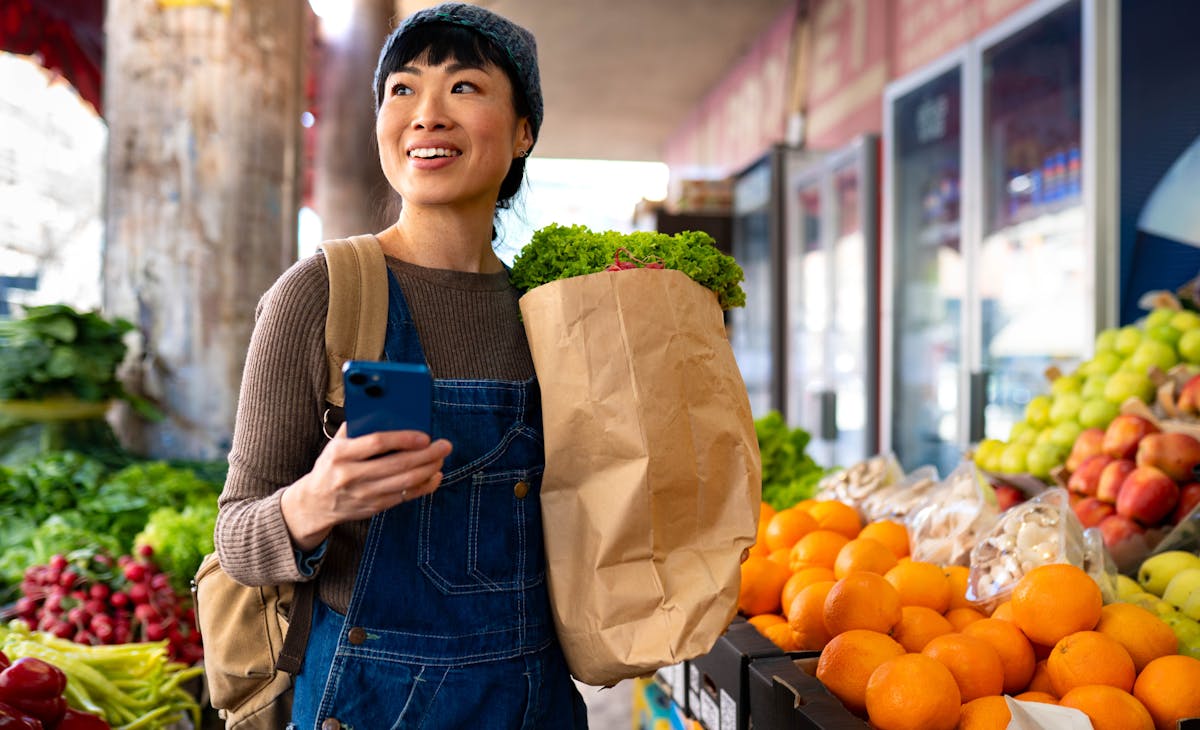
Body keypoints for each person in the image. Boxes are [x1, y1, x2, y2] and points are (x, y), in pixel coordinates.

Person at [214, 4, 589, 727]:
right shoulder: (321, 292)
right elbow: (236, 541)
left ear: (523, 132)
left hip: (531, 702)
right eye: (403, 90)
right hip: (366, 704)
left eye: (465, 88)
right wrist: (315, 501)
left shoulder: (554, 312)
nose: (427, 115)